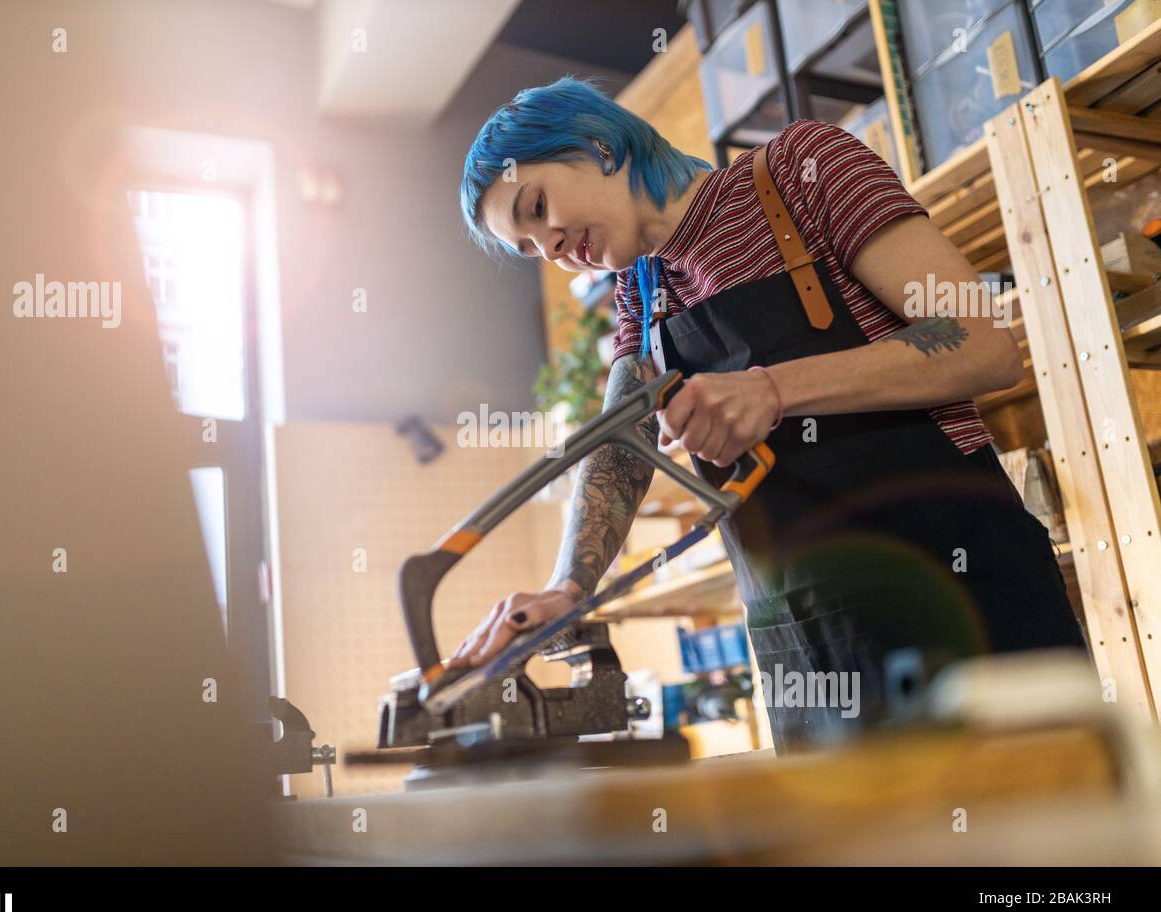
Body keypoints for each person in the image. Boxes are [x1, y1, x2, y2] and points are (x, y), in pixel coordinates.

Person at [452, 77, 1086, 752]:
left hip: (958, 593)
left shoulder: (799, 172)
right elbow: (620, 448)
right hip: (808, 651)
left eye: (537, 206)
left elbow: (983, 342)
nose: (549, 246)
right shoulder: (641, 296)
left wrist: (773, 389)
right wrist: (566, 588)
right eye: (528, 247)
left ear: (598, 143)